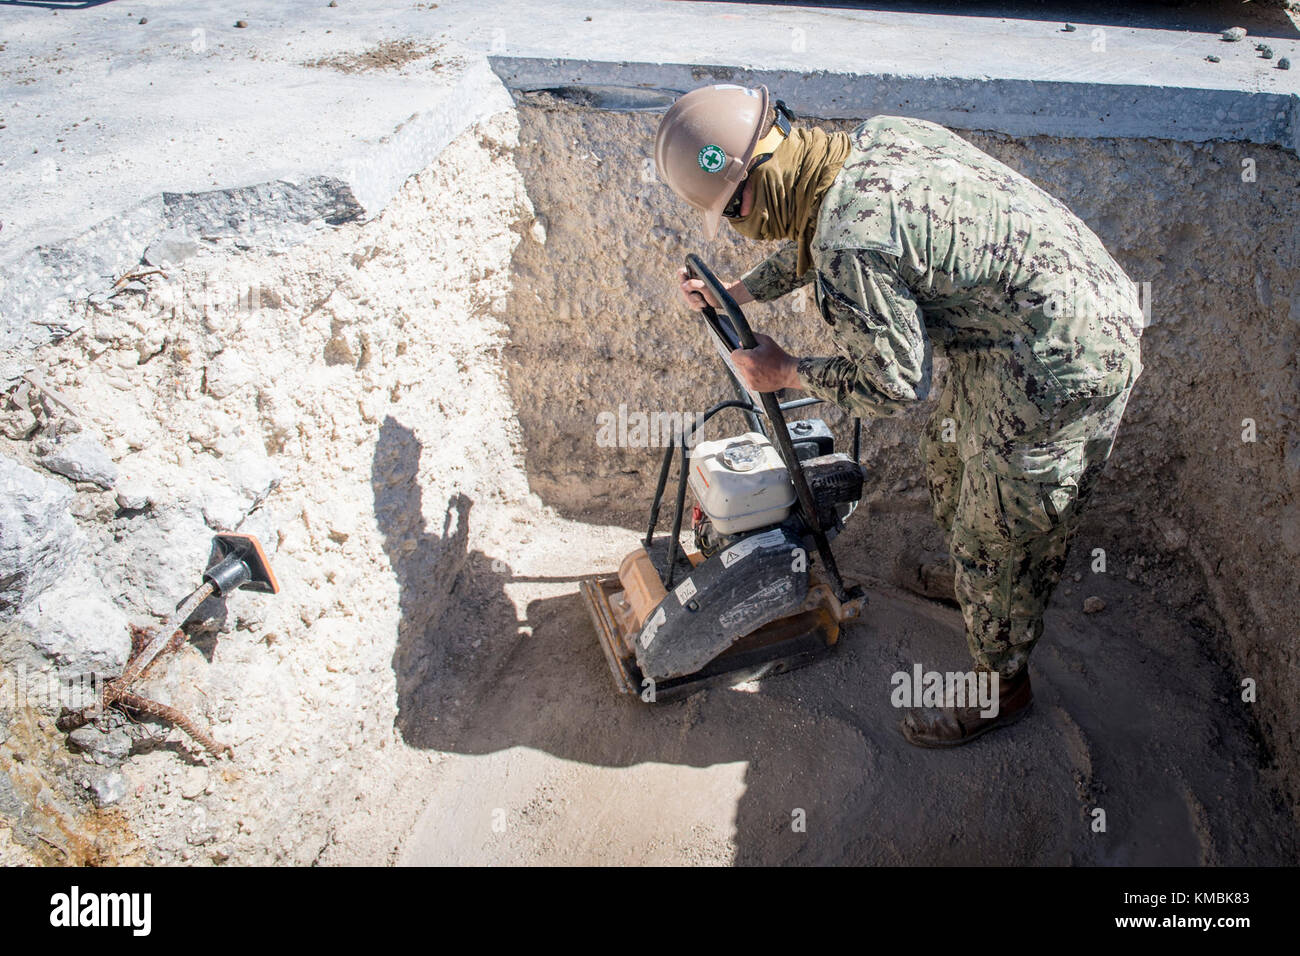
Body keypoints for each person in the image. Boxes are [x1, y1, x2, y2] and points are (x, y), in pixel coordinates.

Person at [655, 84, 1143, 747]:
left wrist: (790, 371)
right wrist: (737, 293)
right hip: (1030, 317)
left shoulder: (844, 245)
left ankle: (1002, 681)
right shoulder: (869, 142)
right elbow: (822, 227)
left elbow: (895, 385)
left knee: (999, 527)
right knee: (947, 463)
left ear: (752, 190)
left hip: (1061, 355)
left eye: (730, 213)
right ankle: (983, 594)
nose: (737, 227)